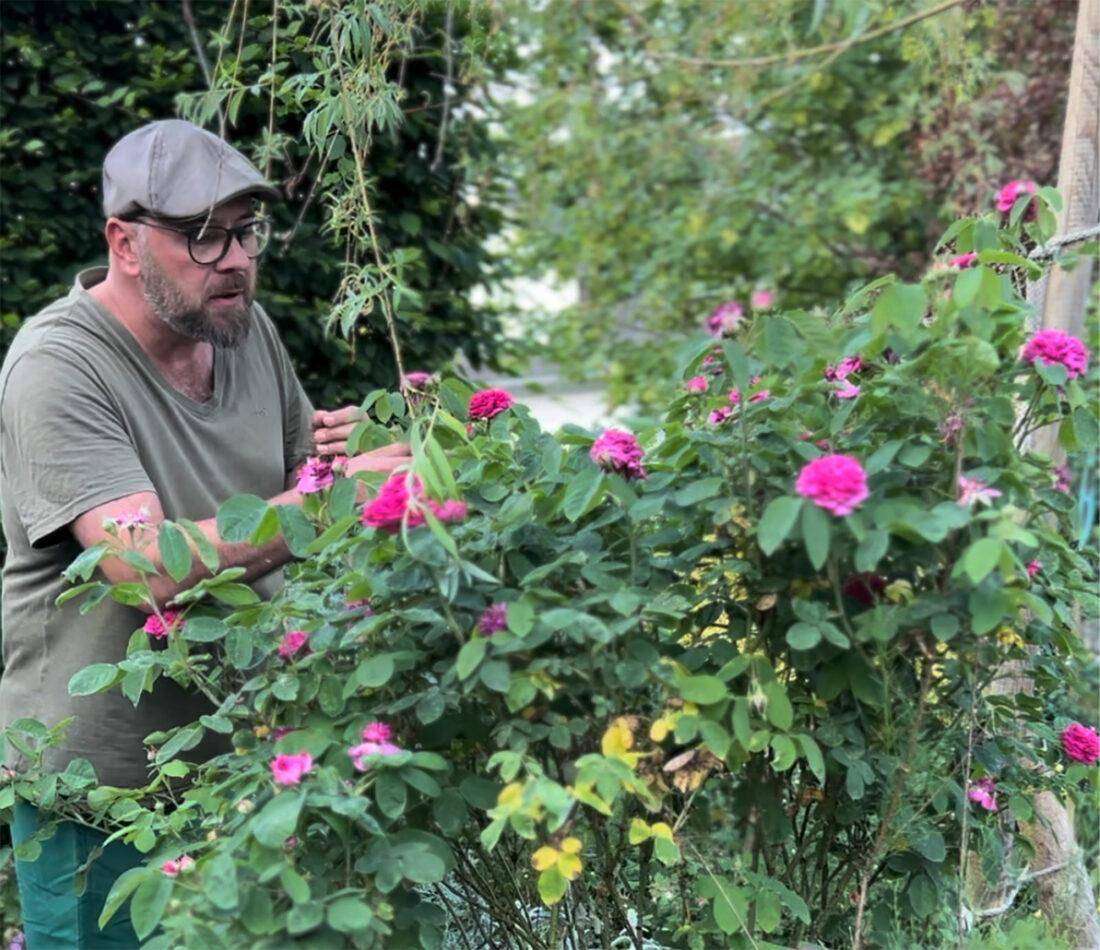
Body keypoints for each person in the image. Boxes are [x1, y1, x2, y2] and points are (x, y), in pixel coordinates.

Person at [0, 119, 408, 946]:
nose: (234, 259)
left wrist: (356, 457)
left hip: (248, 770)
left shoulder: (244, 331)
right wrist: (338, 499)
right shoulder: (57, 366)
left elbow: (303, 494)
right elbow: (144, 568)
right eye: (201, 234)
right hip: (103, 798)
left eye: (246, 231)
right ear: (124, 242)